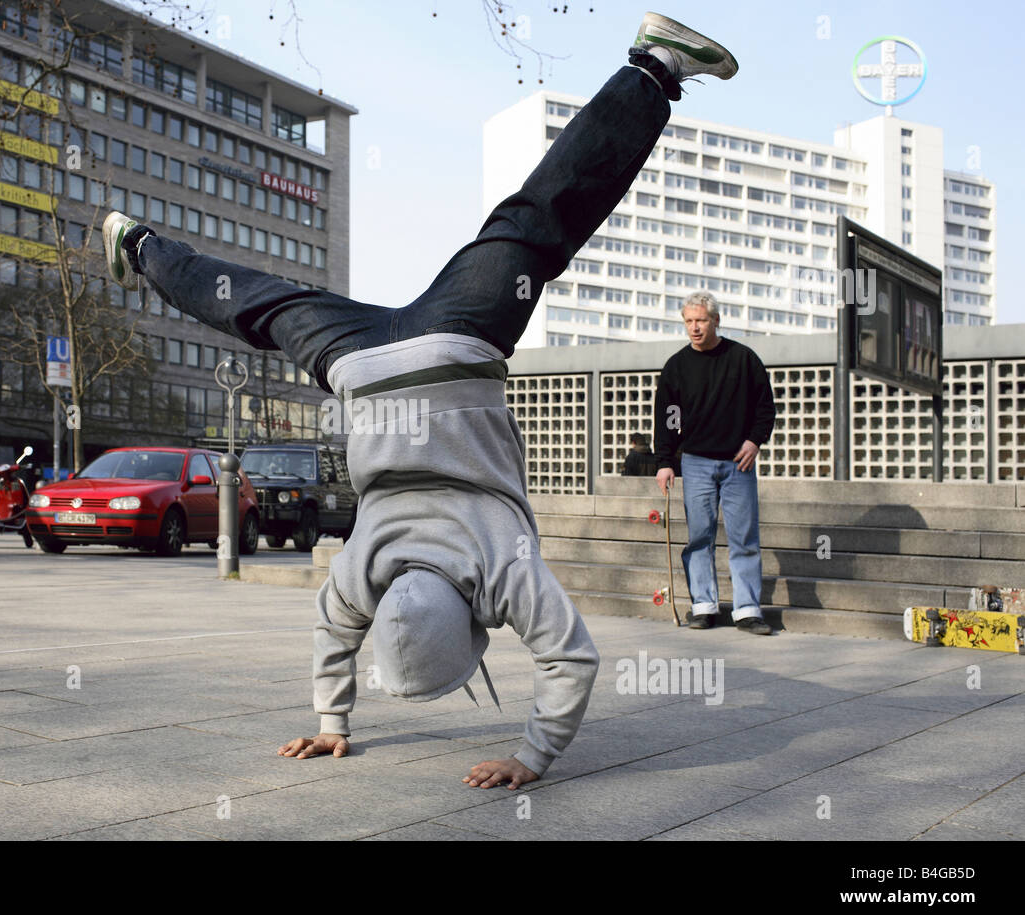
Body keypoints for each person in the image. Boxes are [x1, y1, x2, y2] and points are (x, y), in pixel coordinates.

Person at [105, 12, 738, 788]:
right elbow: (334, 629)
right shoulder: (361, 570)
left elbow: (572, 656)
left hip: (461, 341)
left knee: (537, 221)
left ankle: (657, 67)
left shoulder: (500, 569)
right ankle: (139, 245)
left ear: (477, 632)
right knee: (253, 305)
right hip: (357, 366)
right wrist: (330, 718)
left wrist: (532, 756)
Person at [652, 291, 776, 635]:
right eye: (689, 321)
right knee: (699, 537)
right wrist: (665, 462)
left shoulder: (743, 359)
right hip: (695, 463)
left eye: (701, 321)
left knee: (744, 538)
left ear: (715, 321)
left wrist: (754, 441)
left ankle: (748, 610)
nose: (694, 328)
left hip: (739, 464)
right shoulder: (676, 367)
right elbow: (668, 419)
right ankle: (703, 606)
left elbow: (765, 407)